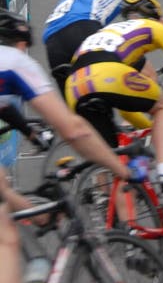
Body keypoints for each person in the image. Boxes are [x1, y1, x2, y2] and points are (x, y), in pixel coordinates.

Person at [64, 0, 163, 192]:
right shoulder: (155, 27)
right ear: (157, 18)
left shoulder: (108, 31)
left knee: (114, 165)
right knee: (162, 107)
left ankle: (113, 216)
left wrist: (148, 128)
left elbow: (125, 109)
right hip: (106, 75)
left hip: (73, 86)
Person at [0, 11, 139, 182]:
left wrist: (30, 133)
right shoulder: (13, 61)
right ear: (21, 43)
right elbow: (74, 131)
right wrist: (124, 172)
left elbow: (4, 109)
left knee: (4, 191)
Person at [43, 0, 150, 92]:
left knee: (77, 109)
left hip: (52, 42)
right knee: (146, 74)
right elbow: (137, 24)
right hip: (82, 29)